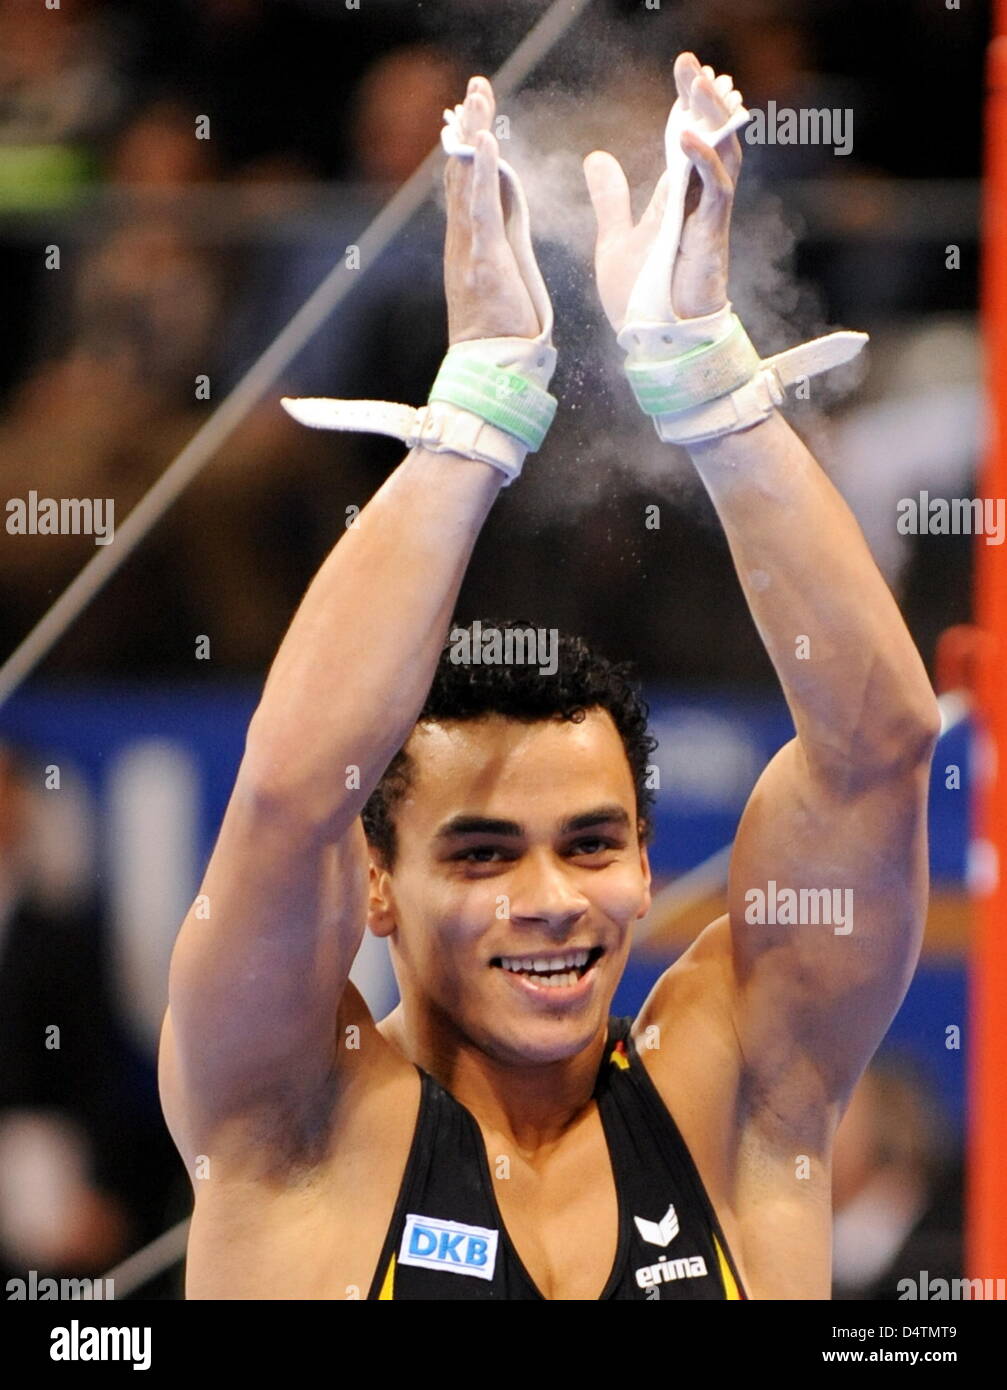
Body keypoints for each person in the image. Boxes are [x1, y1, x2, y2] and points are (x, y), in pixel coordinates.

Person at [159, 55, 939, 1300]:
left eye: (589, 843)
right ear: (375, 881)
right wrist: (475, 417)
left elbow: (880, 752)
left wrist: (710, 390)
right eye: (478, 853)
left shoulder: (736, 1096)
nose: (549, 901)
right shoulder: (287, 1124)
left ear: (643, 858)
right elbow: (289, 790)